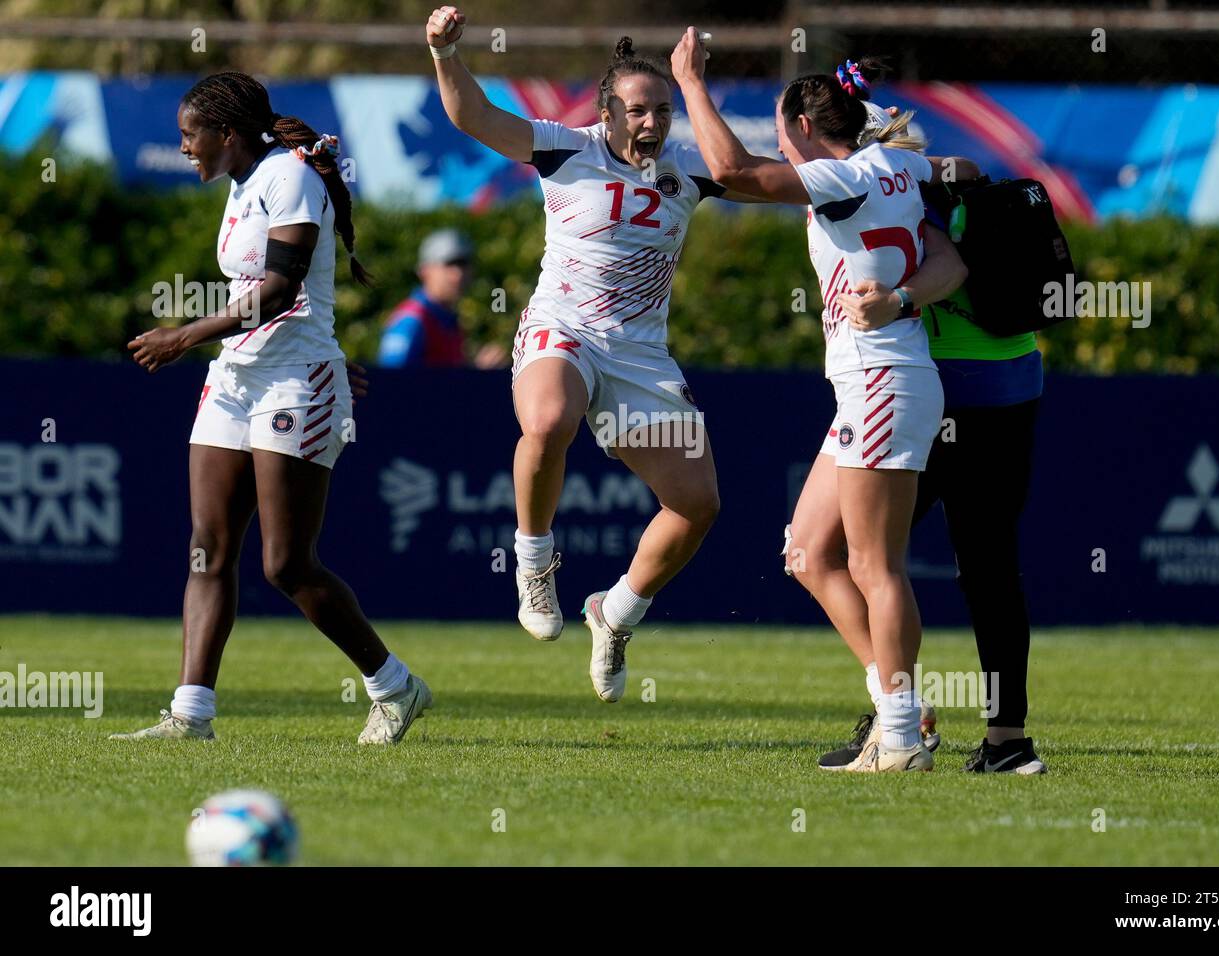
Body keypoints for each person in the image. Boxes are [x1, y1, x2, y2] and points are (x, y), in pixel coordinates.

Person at [426, 8, 764, 702]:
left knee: (696, 504)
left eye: (662, 110)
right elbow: (474, 118)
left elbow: (762, 177)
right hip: (564, 329)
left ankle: (615, 613)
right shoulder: (563, 147)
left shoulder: (690, 170)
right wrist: (446, 53)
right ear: (607, 114)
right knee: (549, 422)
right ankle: (535, 563)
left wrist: (695, 88)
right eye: (638, 110)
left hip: (640, 357)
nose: (652, 123)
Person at [673, 30, 972, 771]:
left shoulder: (848, 178)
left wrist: (690, 82)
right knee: (808, 553)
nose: (780, 143)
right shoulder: (897, 166)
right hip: (876, 383)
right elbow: (951, 259)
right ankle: (905, 709)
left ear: (805, 129)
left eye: (783, 131)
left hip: (881, 380)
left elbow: (731, 168)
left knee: (878, 566)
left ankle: (900, 737)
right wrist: (904, 296)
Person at [114, 71, 432, 745]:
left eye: (189, 135)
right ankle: (190, 715)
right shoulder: (239, 184)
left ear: (226, 134)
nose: (183, 149)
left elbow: (284, 288)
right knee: (208, 548)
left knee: (286, 564)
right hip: (234, 379)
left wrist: (183, 336)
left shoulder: (291, 177)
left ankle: (395, 686)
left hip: (296, 386)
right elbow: (284, 295)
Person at [823, 197, 1048, 775]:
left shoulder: (885, 186)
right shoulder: (957, 182)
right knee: (988, 565)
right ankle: (1007, 741)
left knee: (848, 555)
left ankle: (898, 716)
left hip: (926, 384)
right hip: (1013, 380)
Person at [377, 228, 507, 368]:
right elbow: (392, 384)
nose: (458, 274)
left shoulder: (448, 319)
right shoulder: (412, 320)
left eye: (464, 264)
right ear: (425, 271)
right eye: (449, 264)